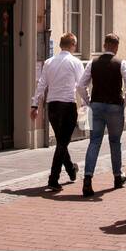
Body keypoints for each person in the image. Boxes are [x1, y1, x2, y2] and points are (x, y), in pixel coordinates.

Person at [78, 33, 126, 195]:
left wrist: (88, 100)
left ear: (104, 45)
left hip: (96, 106)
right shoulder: (121, 63)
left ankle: (88, 179)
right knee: (115, 142)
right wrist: (124, 101)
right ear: (116, 47)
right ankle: (117, 176)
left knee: (94, 141)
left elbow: (81, 85)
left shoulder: (93, 62)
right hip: (115, 107)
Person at [31, 32, 85, 190]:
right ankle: (53, 179)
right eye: (75, 45)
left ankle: (70, 170)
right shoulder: (75, 62)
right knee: (63, 142)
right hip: (68, 105)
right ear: (72, 45)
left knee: (62, 141)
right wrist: (86, 104)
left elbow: (42, 84)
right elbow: (81, 86)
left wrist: (35, 105)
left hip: (52, 106)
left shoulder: (49, 62)